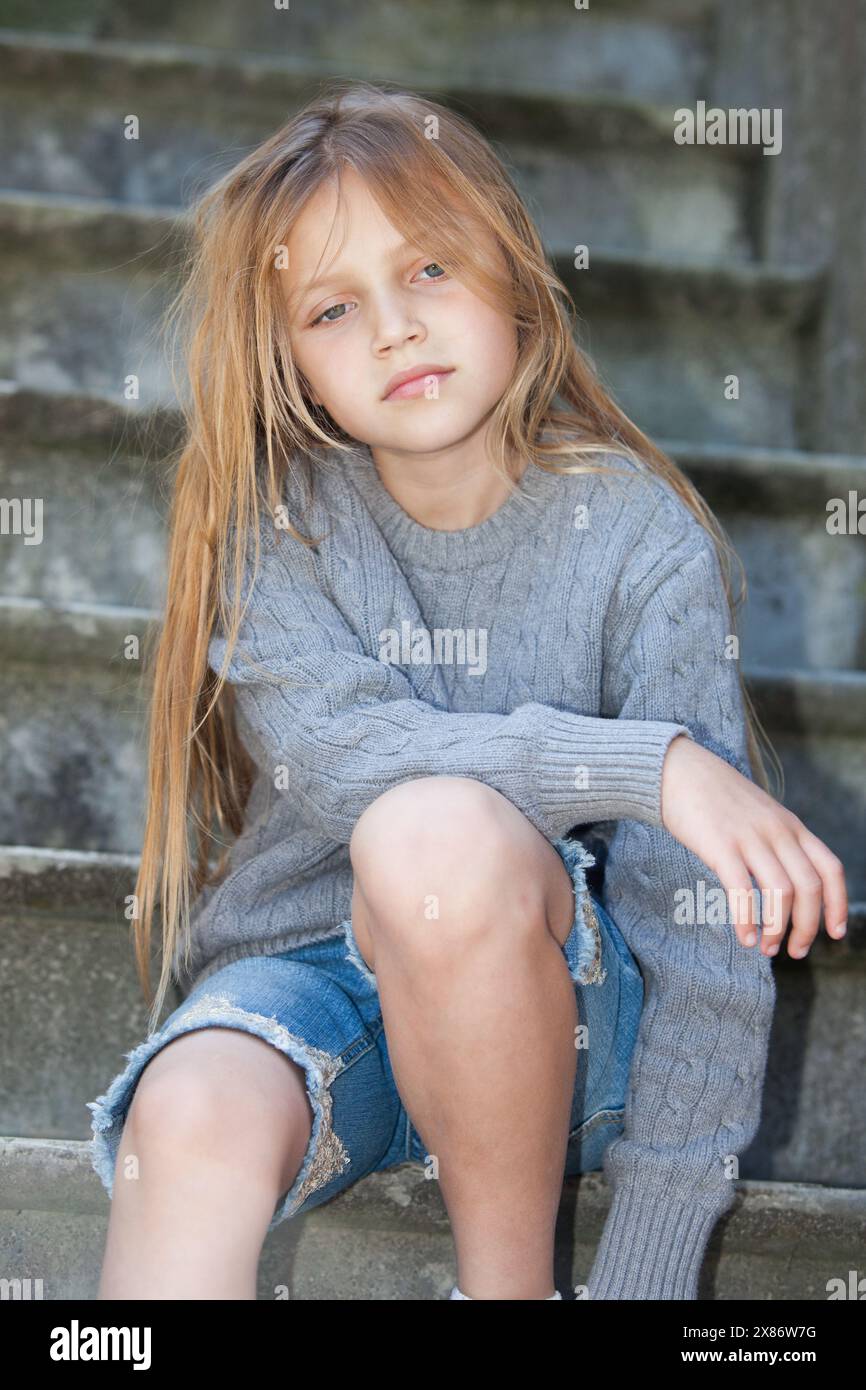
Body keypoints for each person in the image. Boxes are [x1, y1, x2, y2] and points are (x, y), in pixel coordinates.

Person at [87, 81, 848, 1301]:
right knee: (186, 1115)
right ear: (288, 364)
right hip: (316, 1000)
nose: (393, 328)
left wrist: (645, 1279)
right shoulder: (274, 525)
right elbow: (346, 755)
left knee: (435, 840)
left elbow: (700, 944)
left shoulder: (639, 541)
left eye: (429, 269)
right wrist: (644, 765)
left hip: (546, 1021)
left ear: (510, 269)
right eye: (333, 307)